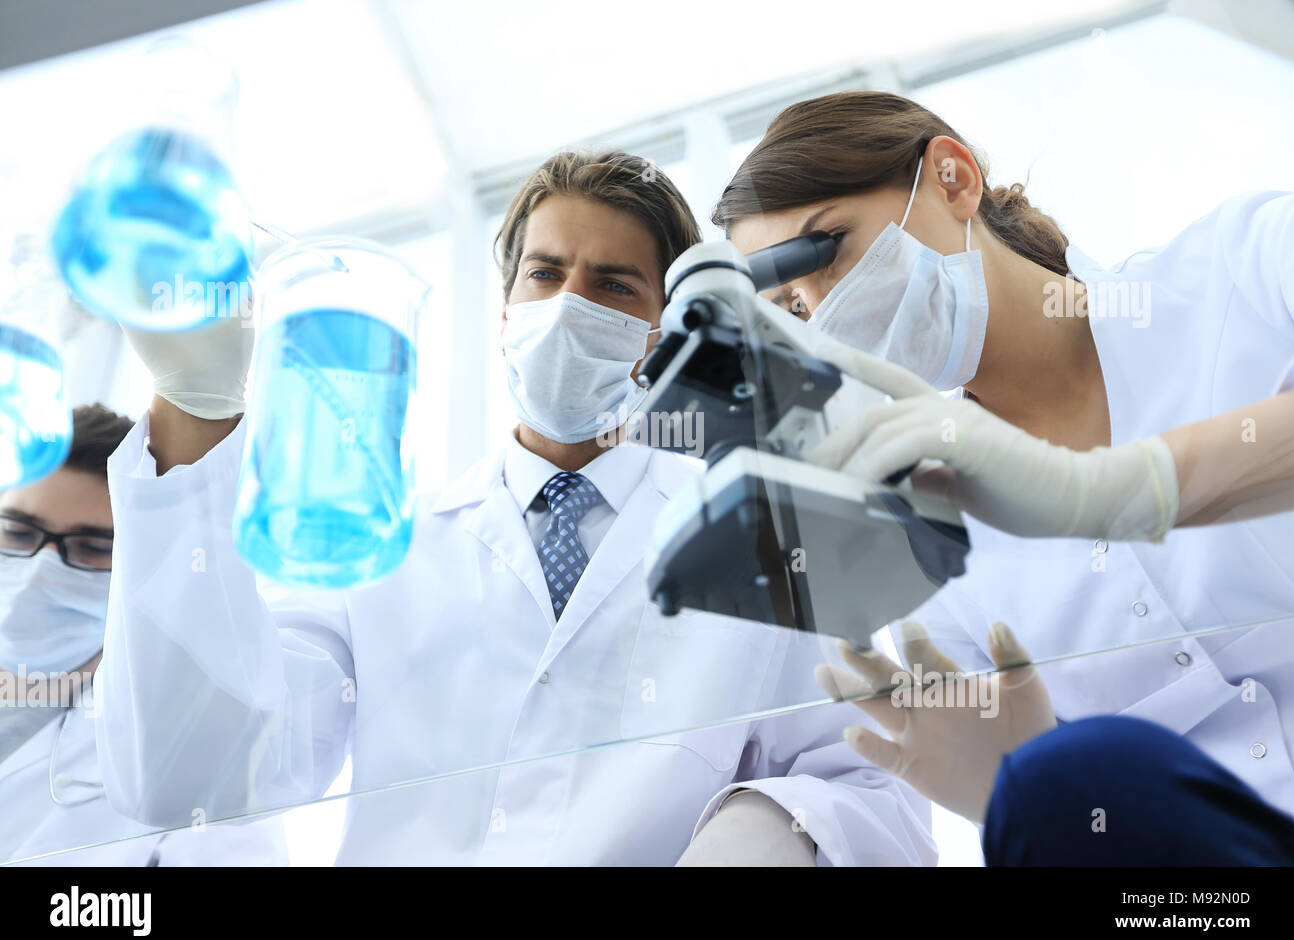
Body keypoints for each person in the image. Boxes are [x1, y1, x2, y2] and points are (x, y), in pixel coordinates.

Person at [93, 150, 936, 866]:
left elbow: (877, 788)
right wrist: (193, 411)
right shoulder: (386, 551)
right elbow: (198, 773)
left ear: (667, 336)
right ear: (503, 313)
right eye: (546, 272)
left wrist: (767, 830)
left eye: (614, 286)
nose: (570, 304)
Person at [712, 89, 1294, 862]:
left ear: (953, 178)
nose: (824, 313)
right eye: (792, 303)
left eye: (828, 251)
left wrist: (1106, 492)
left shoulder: (1246, 267)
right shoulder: (934, 543)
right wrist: (1007, 786)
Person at [0, 403, 287, 865]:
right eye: (16, 531)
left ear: (141, 565)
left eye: (91, 546)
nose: (41, 568)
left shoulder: (190, 754)